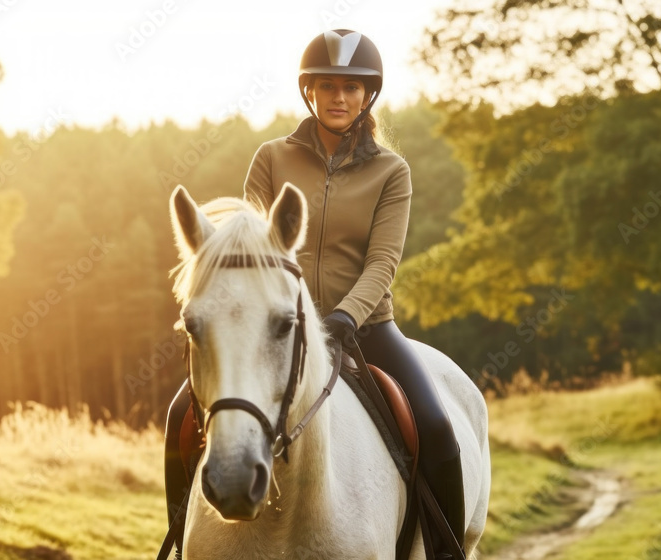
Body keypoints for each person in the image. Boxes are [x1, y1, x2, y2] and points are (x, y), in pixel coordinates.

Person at [162, 29, 465, 558]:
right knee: (180, 418)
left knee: (435, 425)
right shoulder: (271, 157)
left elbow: (383, 261)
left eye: (351, 87)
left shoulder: (392, 172)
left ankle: (444, 549)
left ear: (368, 95)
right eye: (327, 86)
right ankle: (178, 536)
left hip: (366, 329)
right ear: (310, 92)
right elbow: (249, 247)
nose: (339, 97)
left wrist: (347, 316)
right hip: (276, 330)